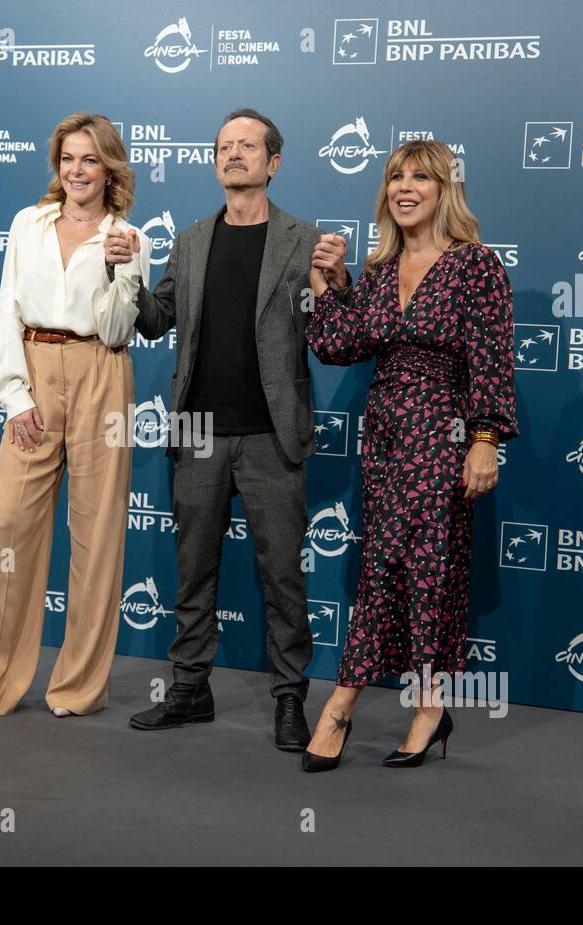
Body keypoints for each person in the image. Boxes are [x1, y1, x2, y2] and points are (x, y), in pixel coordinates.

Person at [107, 108, 350, 751]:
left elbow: (335, 335)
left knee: (283, 578)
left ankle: (291, 699)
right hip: (197, 431)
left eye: (247, 146)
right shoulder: (190, 240)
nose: (233, 154)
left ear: (274, 162)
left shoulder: (305, 240)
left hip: (273, 433)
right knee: (193, 573)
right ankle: (190, 690)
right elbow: (155, 320)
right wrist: (124, 271)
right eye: (224, 146)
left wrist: (339, 283)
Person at [300, 139, 517, 771]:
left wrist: (484, 440)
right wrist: (327, 287)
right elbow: (340, 346)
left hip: (443, 432)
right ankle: (424, 705)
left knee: (428, 569)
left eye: (420, 176)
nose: (404, 187)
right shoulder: (378, 269)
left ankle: (349, 706)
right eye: (396, 176)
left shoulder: (475, 265)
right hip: (385, 435)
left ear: (445, 189)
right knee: (387, 566)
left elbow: (491, 359)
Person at [0, 113, 151, 717]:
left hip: (102, 372)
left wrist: (121, 269)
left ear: (110, 169)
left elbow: (119, 330)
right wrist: (15, 396)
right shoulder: (28, 223)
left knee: (97, 537)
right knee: (11, 530)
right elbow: (6, 311)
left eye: (90, 159)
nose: (77, 171)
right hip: (35, 369)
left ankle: (78, 687)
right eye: (68, 159)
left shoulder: (129, 237)